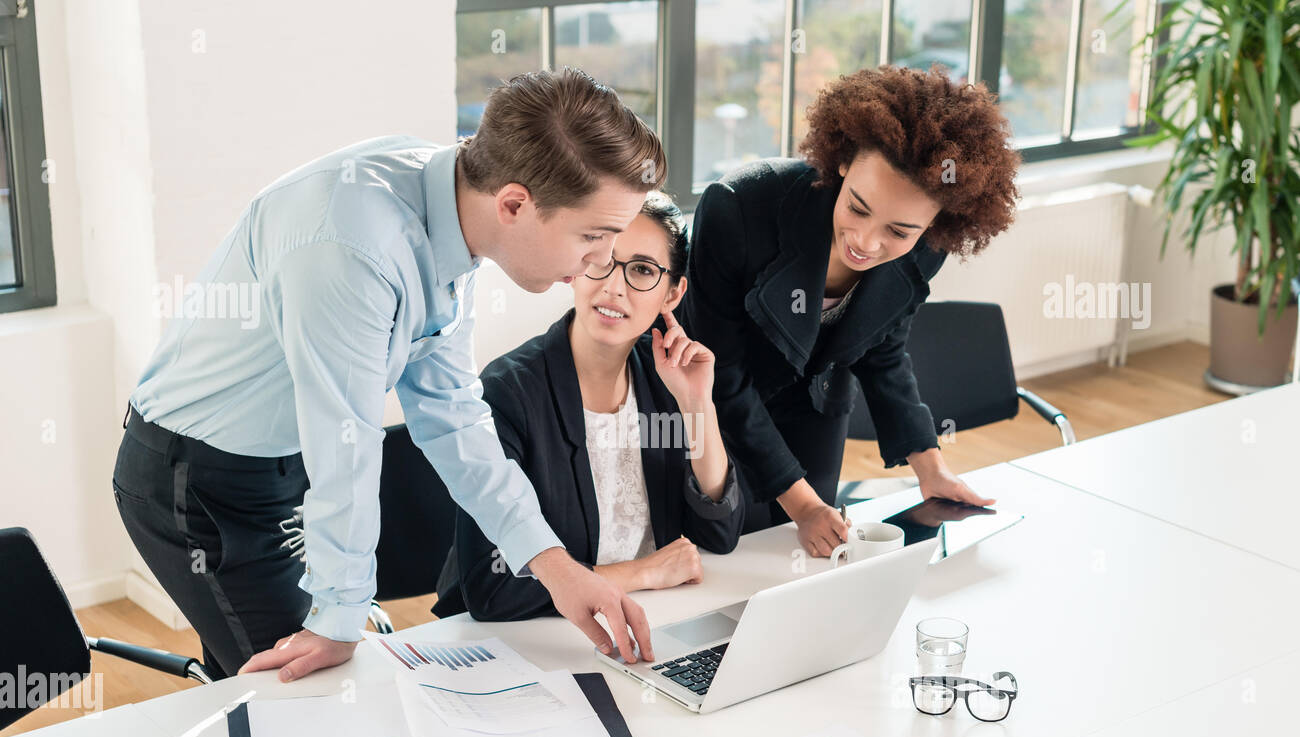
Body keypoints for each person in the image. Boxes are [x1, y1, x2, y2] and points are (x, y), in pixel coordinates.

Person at [112, 68, 663, 681]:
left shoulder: (458, 212)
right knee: (312, 689)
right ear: (515, 203)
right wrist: (338, 618)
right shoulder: (353, 244)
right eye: (595, 236)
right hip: (195, 481)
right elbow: (344, 440)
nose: (601, 262)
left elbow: (452, 415)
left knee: (267, 678)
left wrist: (554, 564)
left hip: (283, 460)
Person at [678, 65, 1021, 558]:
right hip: (715, 404)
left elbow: (882, 352)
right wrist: (802, 504)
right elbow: (722, 374)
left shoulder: (928, 247)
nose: (867, 242)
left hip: (818, 407)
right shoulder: (739, 208)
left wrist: (932, 469)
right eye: (858, 208)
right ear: (841, 162)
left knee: (806, 563)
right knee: (726, 552)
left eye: (899, 232)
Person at [434, 192, 743, 621]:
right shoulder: (509, 393)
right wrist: (639, 574)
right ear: (578, 266)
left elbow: (721, 532)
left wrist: (696, 405)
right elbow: (493, 587)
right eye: (603, 261)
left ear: (672, 295)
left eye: (642, 270)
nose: (614, 287)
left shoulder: (665, 380)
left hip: (658, 620)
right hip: (528, 643)